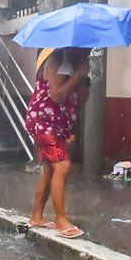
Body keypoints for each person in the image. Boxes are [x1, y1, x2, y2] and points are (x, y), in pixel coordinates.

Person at [25, 47, 88, 239]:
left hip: (58, 123)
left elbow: (82, 99)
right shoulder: (57, 59)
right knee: (62, 166)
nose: (90, 50)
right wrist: (77, 75)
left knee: (50, 169)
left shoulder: (78, 63)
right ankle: (61, 219)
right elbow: (56, 95)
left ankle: (36, 216)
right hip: (44, 120)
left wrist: (83, 78)